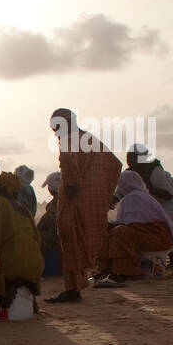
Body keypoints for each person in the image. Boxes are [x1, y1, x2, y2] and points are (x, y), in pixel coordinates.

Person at [48, 107, 121, 303]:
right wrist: (100, 191)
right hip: (90, 200)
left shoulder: (69, 141)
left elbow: (70, 172)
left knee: (70, 242)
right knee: (78, 243)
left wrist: (73, 191)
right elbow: (114, 164)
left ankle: (72, 289)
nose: (55, 132)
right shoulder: (89, 139)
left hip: (74, 201)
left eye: (56, 127)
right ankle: (75, 287)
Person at [0, 172, 43, 314]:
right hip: (35, 266)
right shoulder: (24, 209)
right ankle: (29, 300)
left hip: (11, 264)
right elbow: (37, 238)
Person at [95, 171, 173, 285]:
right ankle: (106, 269)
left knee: (121, 233)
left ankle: (122, 272)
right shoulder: (137, 197)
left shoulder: (134, 197)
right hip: (153, 235)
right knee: (110, 232)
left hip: (158, 237)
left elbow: (133, 223)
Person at [126, 143, 173, 268]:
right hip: (152, 203)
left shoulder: (154, 170)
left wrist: (149, 186)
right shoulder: (131, 172)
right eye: (128, 156)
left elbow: (168, 194)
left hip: (169, 201)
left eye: (132, 157)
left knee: (162, 224)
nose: (128, 160)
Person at [38, 172, 63, 277]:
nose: (48, 189)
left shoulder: (60, 204)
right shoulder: (52, 204)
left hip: (58, 239)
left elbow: (53, 226)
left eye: (49, 186)